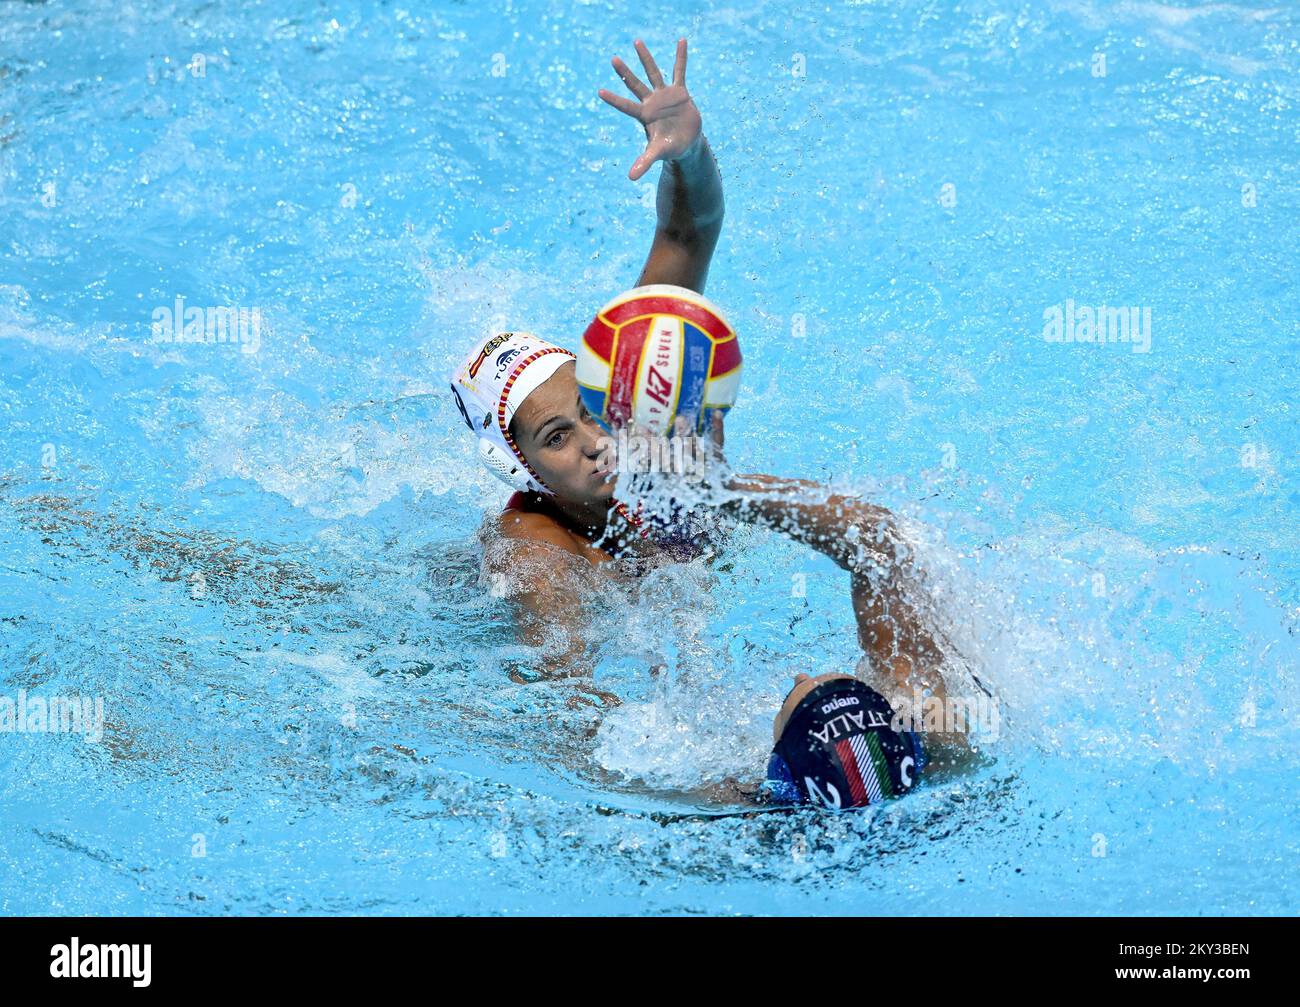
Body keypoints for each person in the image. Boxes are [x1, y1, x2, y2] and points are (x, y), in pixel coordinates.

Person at [450, 38, 982, 792]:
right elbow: (570, 722)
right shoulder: (539, 561)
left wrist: (687, 154)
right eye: (557, 437)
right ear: (521, 468)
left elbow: (685, 233)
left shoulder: (637, 424)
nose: (598, 440)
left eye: (588, 408)